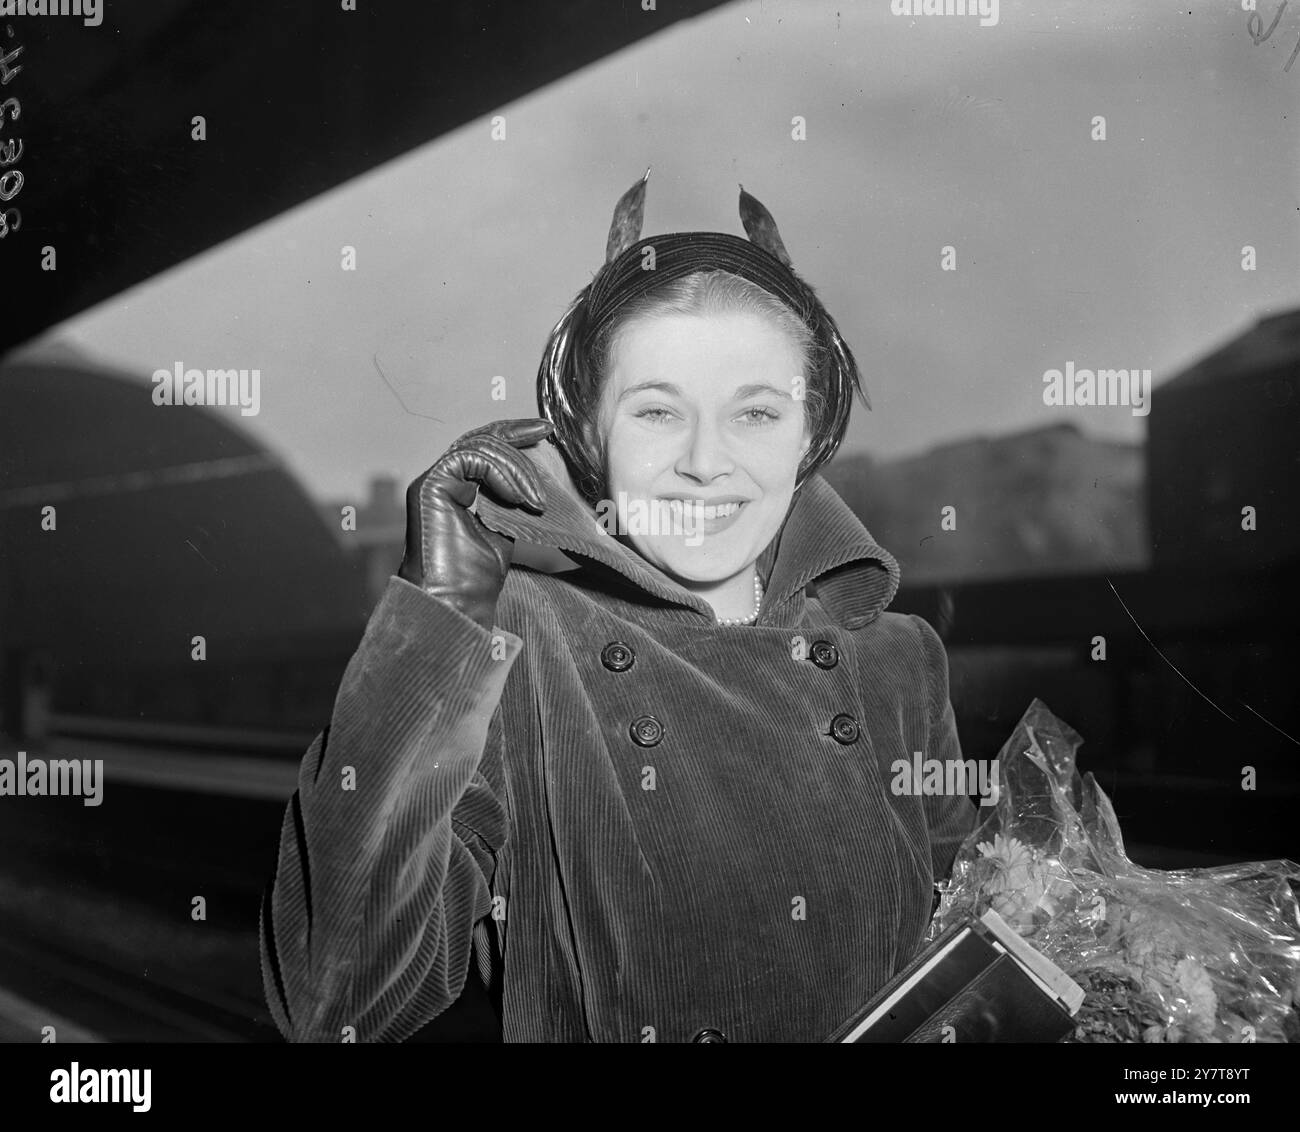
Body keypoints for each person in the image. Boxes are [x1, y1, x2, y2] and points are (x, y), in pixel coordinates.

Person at [258, 174, 979, 1043]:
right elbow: (336, 1002)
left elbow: (965, 966)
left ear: (811, 430)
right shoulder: (520, 645)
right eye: (656, 413)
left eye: (755, 412)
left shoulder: (899, 658)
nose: (706, 463)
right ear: (590, 440)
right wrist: (440, 617)